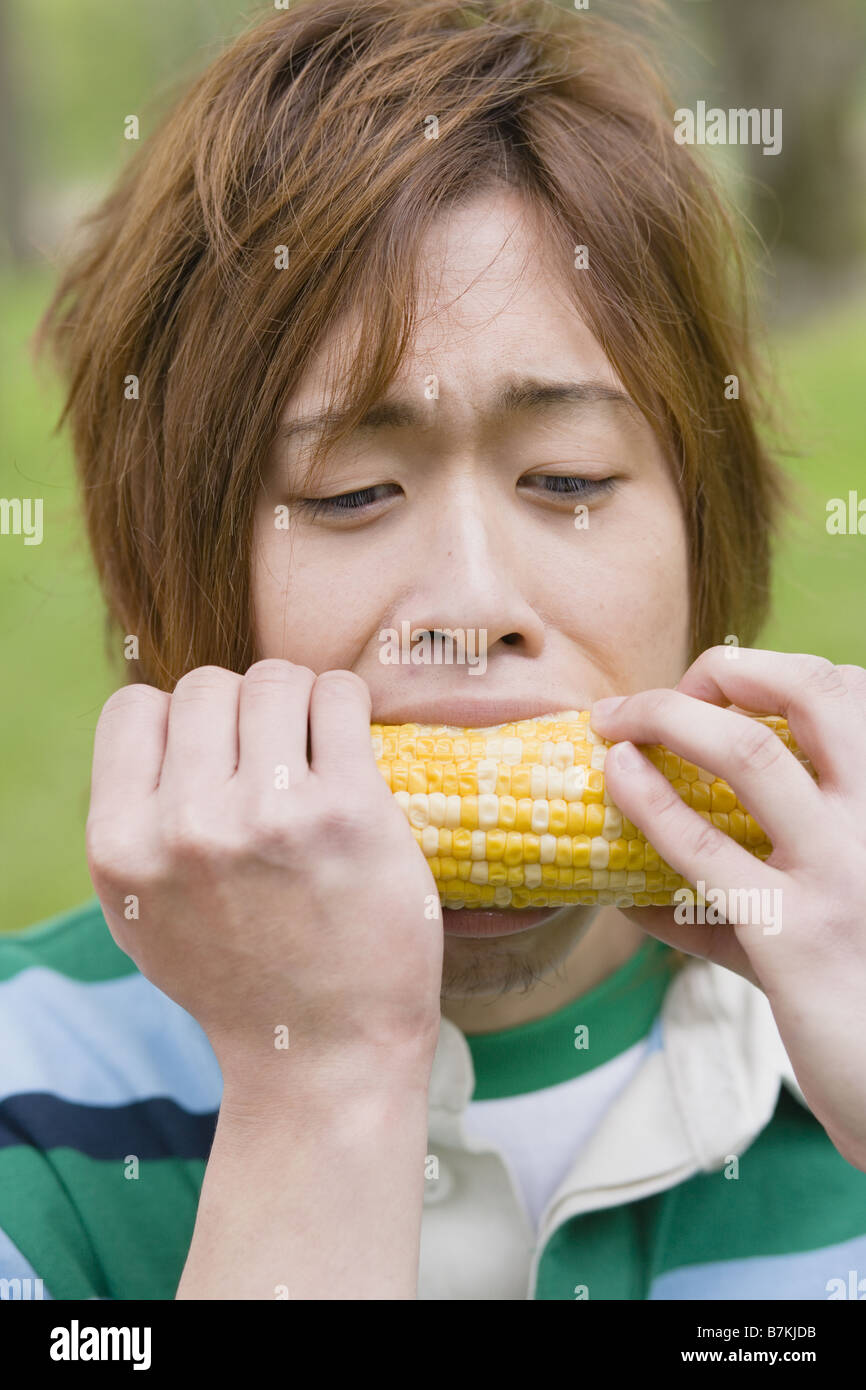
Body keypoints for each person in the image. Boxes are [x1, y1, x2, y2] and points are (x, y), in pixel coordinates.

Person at [2, 0, 865, 1301]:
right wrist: (320, 1079)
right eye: (348, 491)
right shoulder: (30, 1098)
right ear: (160, 575)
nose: (467, 601)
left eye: (568, 476)